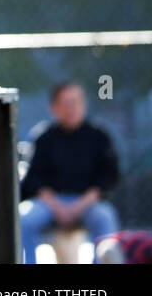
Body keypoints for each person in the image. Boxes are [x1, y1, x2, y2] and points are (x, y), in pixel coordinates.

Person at [19, 81, 120, 263]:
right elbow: (33, 180)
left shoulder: (98, 136)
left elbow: (107, 179)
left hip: (86, 203)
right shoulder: (44, 137)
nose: (72, 108)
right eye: (66, 103)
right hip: (50, 204)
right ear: (54, 108)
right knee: (23, 218)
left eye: (76, 102)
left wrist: (78, 206)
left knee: (105, 216)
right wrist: (58, 207)